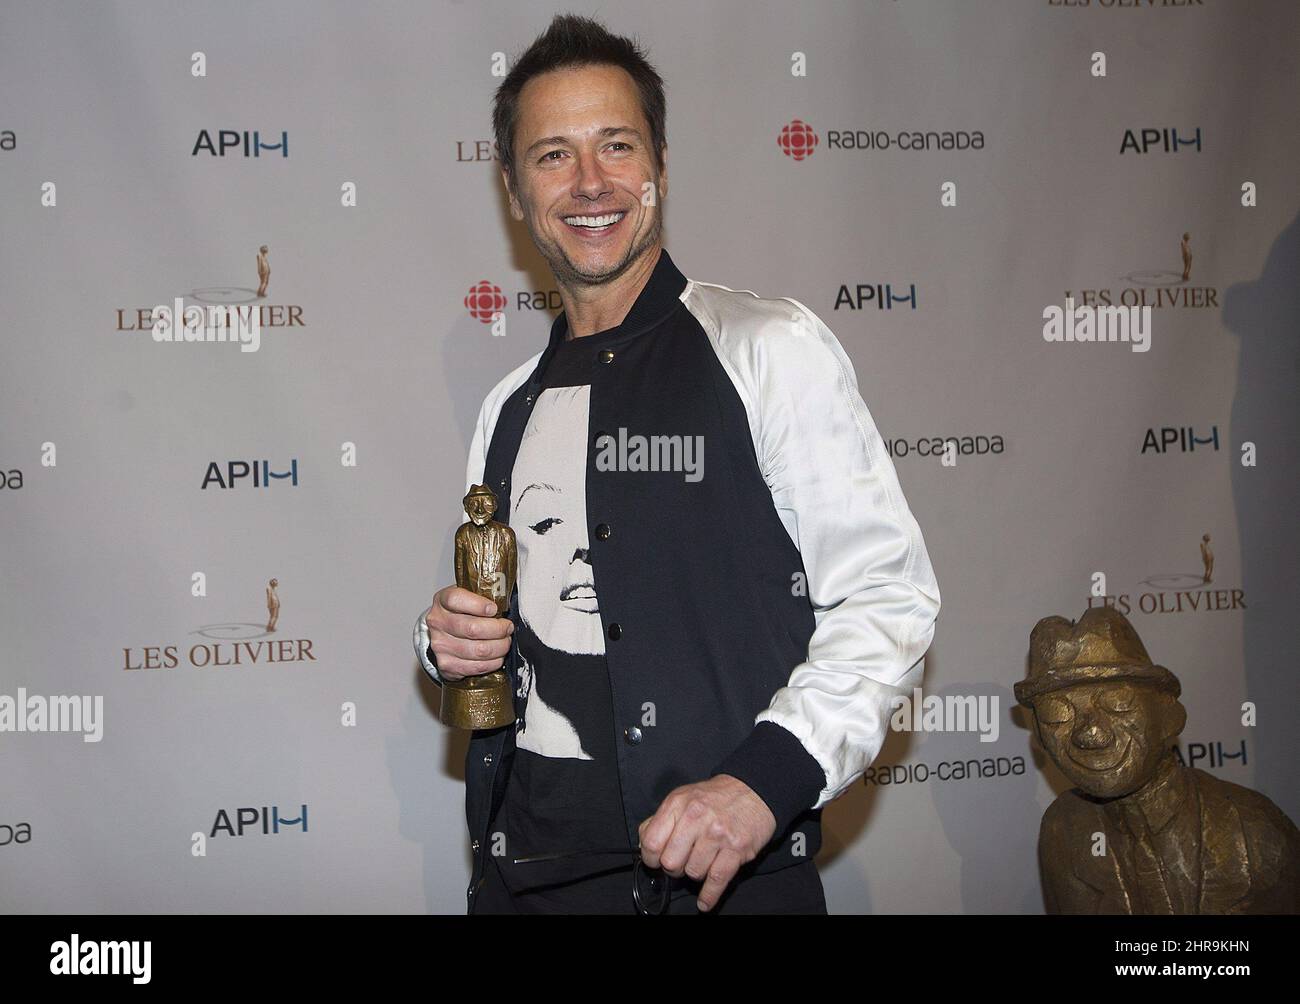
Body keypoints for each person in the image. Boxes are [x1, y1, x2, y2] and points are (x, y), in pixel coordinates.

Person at [414, 14, 939, 915]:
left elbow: (888, 598)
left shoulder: (769, 347)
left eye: (616, 145)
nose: (590, 183)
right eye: (552, 156)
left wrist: (761, 785)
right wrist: (442, 645)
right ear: (513, 188)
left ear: (659, 164)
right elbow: (511, 626)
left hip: (720, 896)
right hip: (519, 889)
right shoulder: (511, 406)